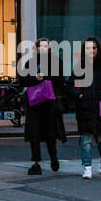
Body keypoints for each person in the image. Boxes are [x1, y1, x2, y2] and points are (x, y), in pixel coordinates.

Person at [70, 37, 101, 178]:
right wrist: (78, 95)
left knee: (100, 138)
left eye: (93, 48)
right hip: (85, 105)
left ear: (98, 49)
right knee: (86, 139)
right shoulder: (80, 66)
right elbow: (70, 85)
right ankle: (87, 167)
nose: (91, 51)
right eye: (88, 48)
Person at [21, 37, 68, 174]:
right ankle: (36, 163)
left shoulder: (56, 62)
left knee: (50, 135)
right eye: (40, 47)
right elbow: (23, 81)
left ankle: (53, 157)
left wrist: (46, 78)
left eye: (45, 46)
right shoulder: (31, 63)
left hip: (50, 105)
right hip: (34, 105)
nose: (42, 49)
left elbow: (60, 81)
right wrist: (35, 78)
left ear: (49, 48)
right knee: (34, 136)